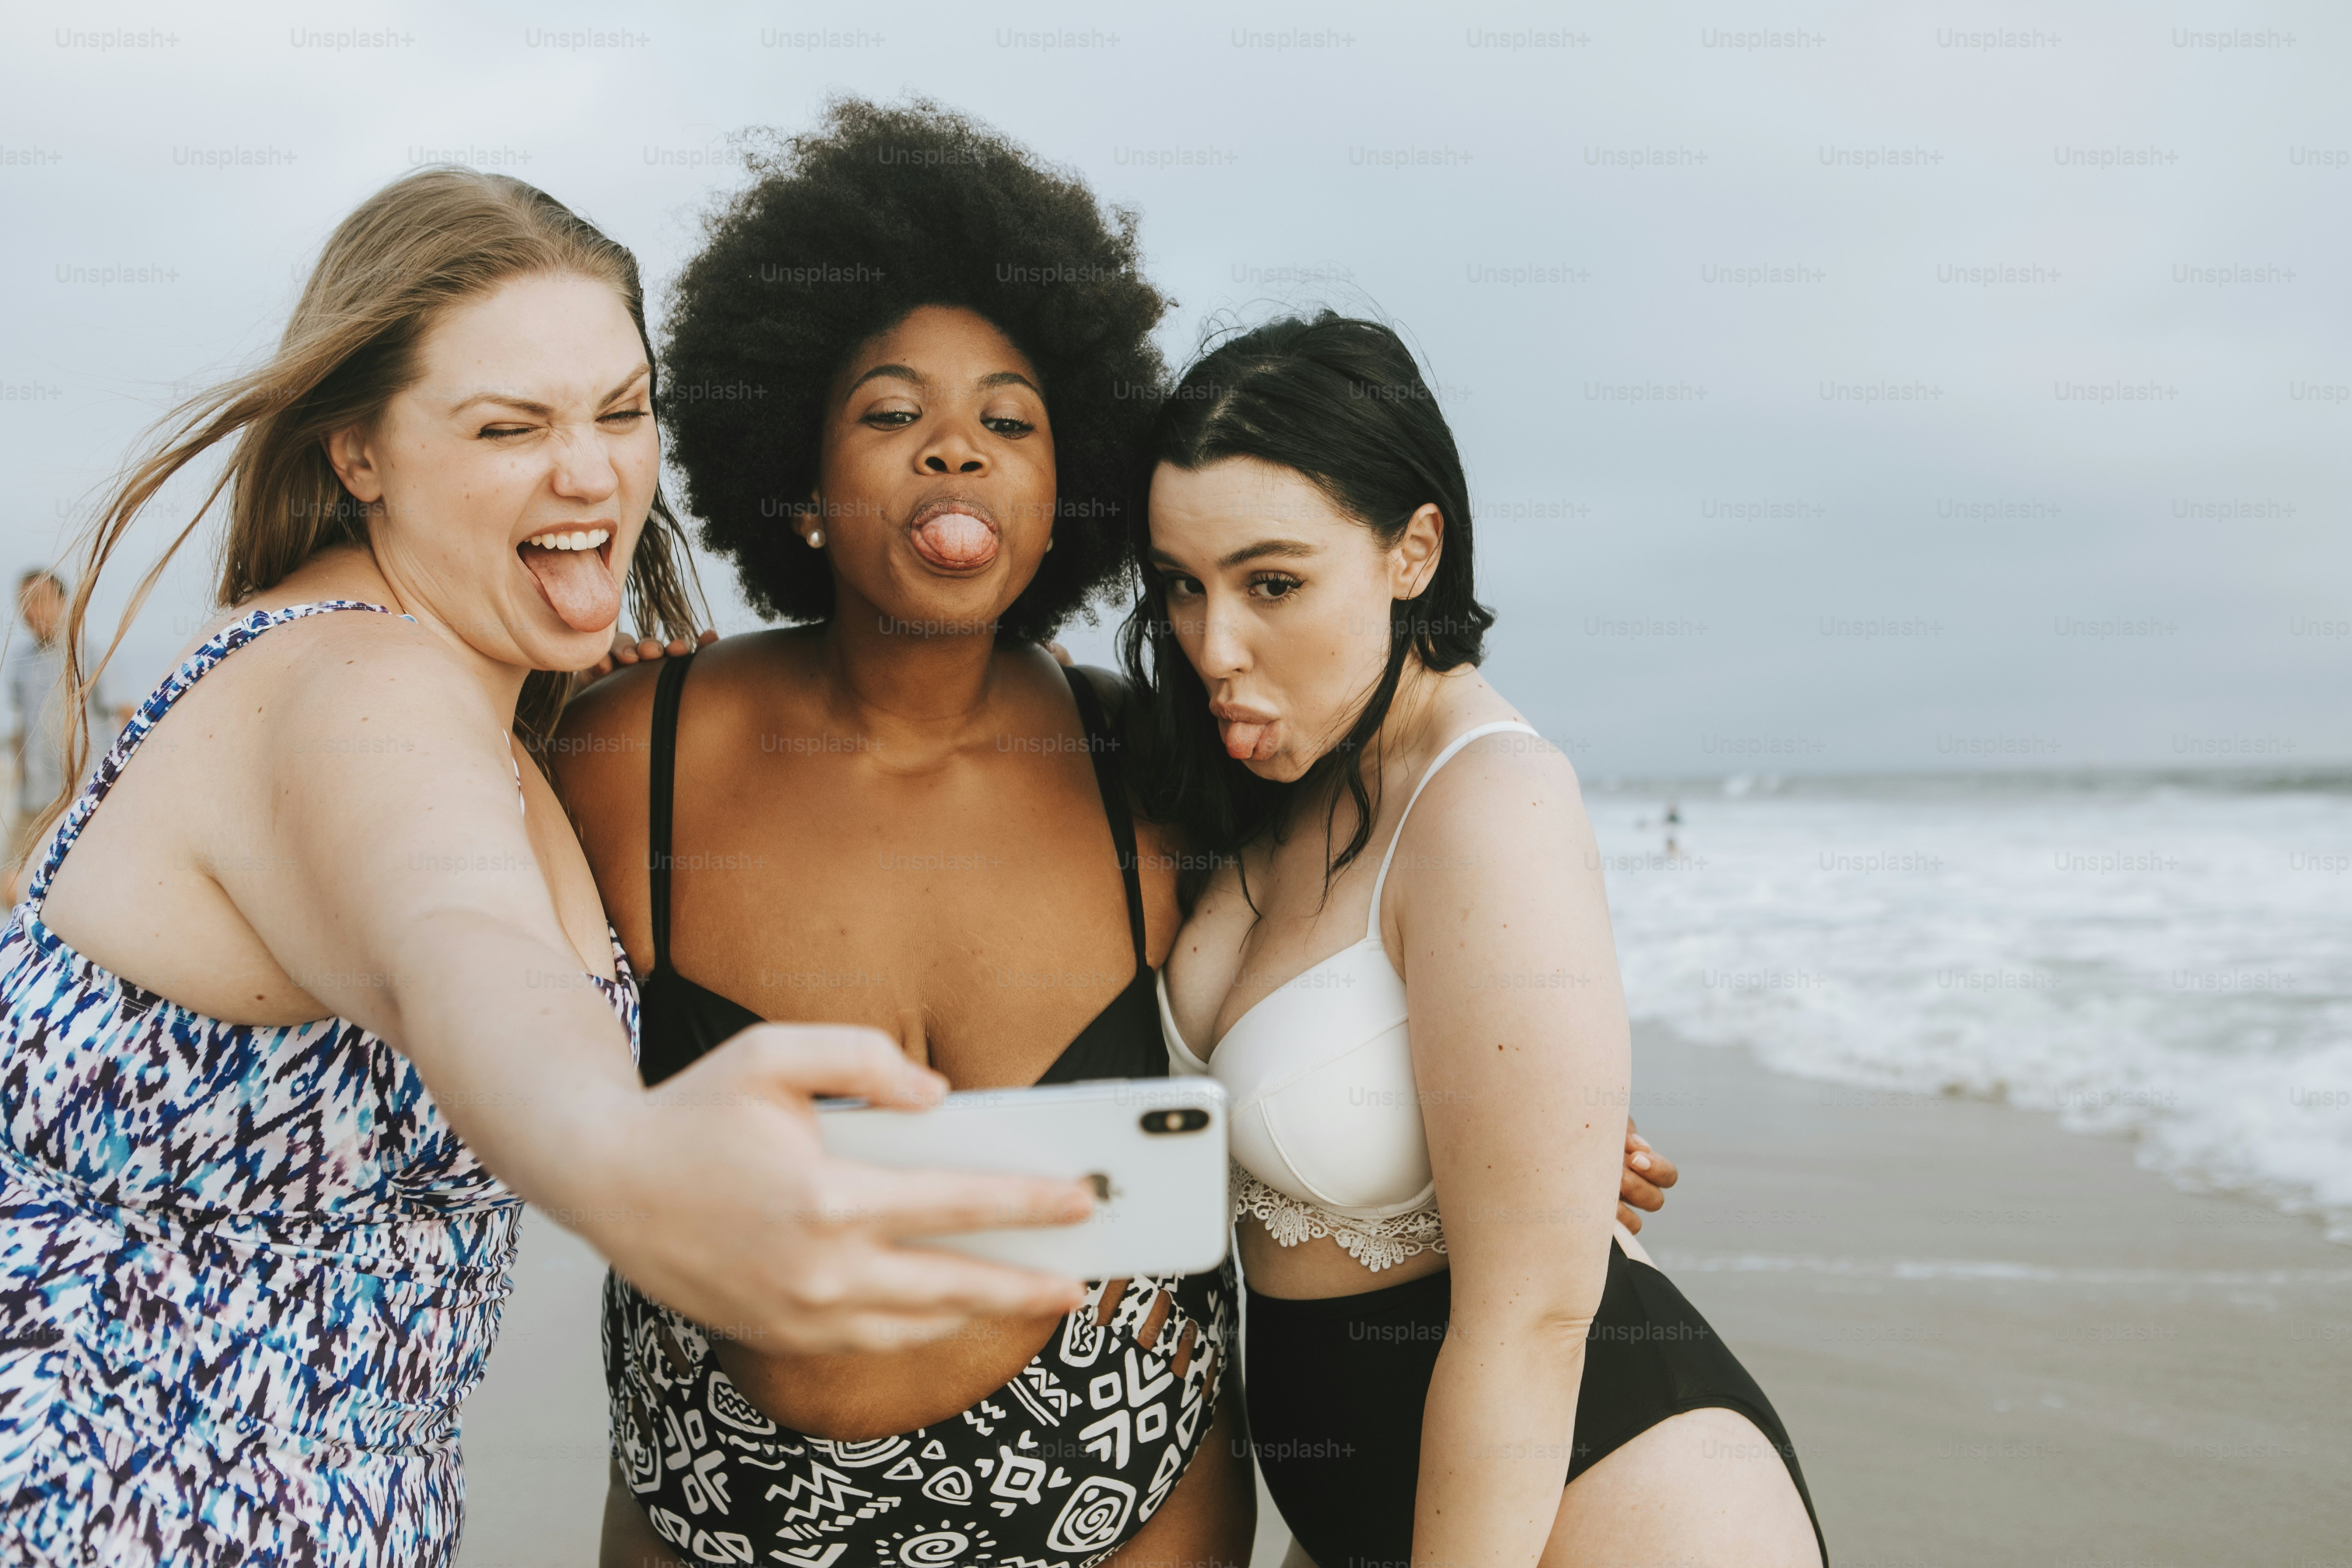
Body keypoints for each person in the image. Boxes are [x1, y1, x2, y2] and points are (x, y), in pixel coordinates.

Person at [0, 166, 1094, 1567]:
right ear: (359, 454)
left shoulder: (477, 699)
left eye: (621, 412)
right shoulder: (360, 688)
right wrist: (623, 1154)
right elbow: (459, 938)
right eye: (510, 428)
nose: (590, 474)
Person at [556, 99, 1259, 1568]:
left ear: (1063, 497)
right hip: (720, 1511)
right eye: (892, 415)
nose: (956, 452)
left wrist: (1510, 1110)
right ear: (802, 488)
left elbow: (1347, 962)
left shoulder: (1156, 763)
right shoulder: (630, 755)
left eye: (1010, 422)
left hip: (1124, 1492)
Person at [1130, 315, 1827, 1567]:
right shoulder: (1289, 776)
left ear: (1413, 551)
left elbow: (1537, 1318)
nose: (1214, 645)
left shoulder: (1489, 800)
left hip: (1609, 1502)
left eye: (1272, 583)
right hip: (1380, 1519)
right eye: (1183, 584)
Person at [1, 570, 123, 874]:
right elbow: (22, 727)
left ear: (63, 602)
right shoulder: (19, 662)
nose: (31, 611)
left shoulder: (90, 653)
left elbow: (124, 714)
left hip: (83, 798)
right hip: (33, 800)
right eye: (24, 603)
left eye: (39, 600)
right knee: (10, 881)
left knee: (81, 880)